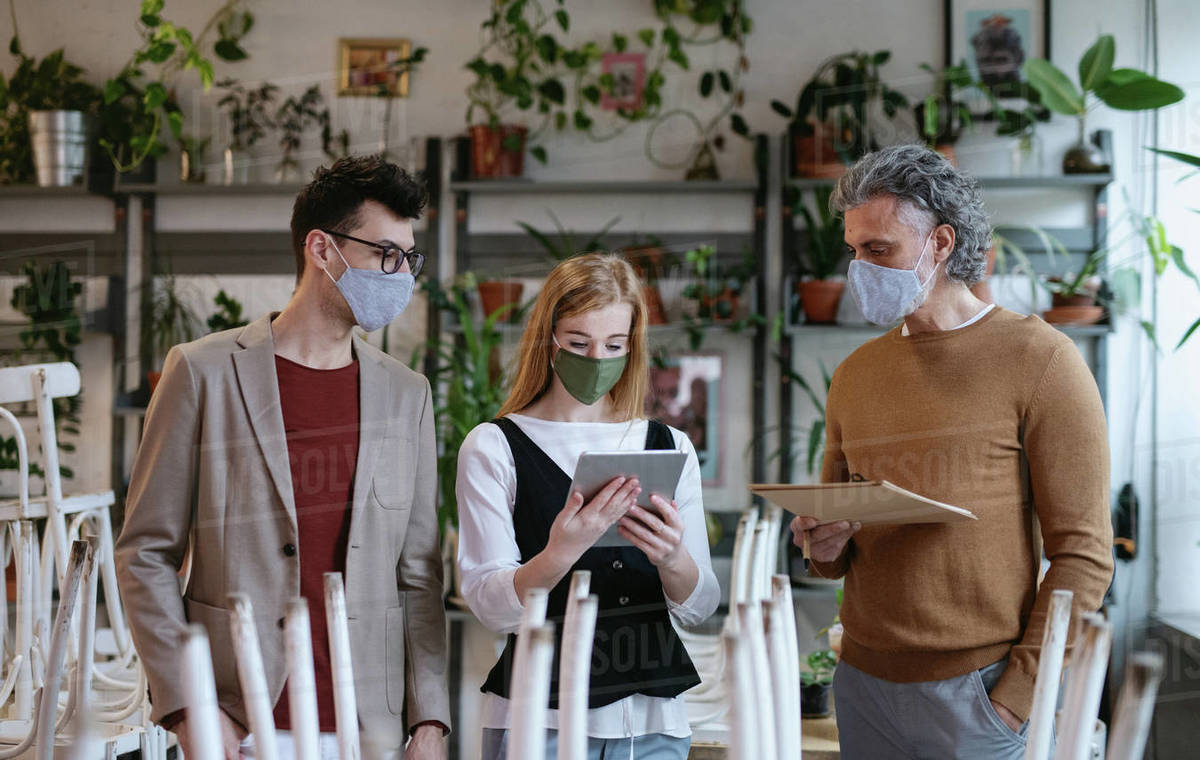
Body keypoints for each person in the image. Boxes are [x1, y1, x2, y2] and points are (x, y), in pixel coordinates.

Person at [115, 155, 450, 760]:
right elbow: (146, 554)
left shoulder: (409, 394)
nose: (400, 274)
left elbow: (419, 573)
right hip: (239, 719)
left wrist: (431, 721)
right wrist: (189, 710)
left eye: (409, 258)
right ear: (321, 249)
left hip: (369, 727)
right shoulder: (201, 372)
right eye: (384, 254)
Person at [790, 144, 1114, 759]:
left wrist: (1016, 696)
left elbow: (1085, 555)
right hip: (861, 685)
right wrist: (823, 545)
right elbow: (835, 538)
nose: (860, 268)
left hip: (981, 696)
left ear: (940, 244)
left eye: (879, 250)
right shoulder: (856, 374)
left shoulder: (1043, 362)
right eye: (855, 251)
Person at [456, 253, 720, 760]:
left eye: (614, 345)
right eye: (578, 343)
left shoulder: (669, 444)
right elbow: (490, 606)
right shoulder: (494, 446)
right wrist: (561, 551)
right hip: (538, 720)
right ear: (548, 339)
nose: (597, 359)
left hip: (654, 719)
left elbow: (700, 605)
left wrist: (672, 559)